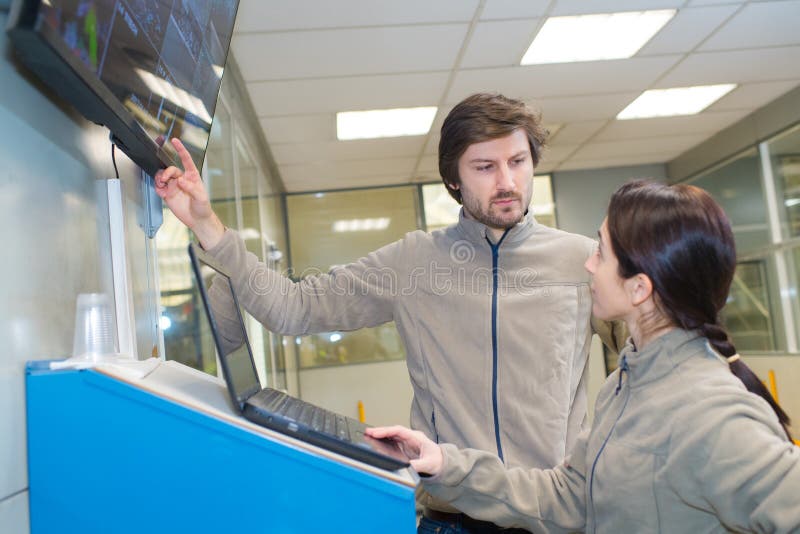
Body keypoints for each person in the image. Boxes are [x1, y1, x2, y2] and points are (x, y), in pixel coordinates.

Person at [155, 93, 625, 533]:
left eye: (518, 162)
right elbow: (293, 308)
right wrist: (206, 226)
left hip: (558, 518)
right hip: (451, 519)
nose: (507, 182)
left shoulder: (582, 261)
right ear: (453, 179)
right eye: (485, 167)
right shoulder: (413, 262)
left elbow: (651, 357)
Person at [368, 180, 800, 533]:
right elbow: (570, 497)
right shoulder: (625, 385)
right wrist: (444, 463)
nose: (588, 266)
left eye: (601, 253)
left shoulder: (711, 412)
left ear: (639, 288)